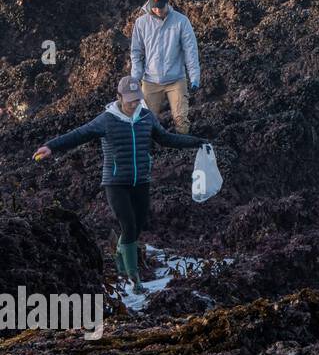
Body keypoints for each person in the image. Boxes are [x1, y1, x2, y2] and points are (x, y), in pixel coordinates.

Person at [34, 76, 210, 294]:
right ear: (119, 97)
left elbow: (166, 139)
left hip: (141, 181)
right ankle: (134, 280)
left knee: (136, 228)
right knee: (127, 226)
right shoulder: (106, 119)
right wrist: (51, 146)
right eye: (130, 100)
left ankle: (120, 258)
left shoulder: (147, 117)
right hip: (115, 183)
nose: (134, 103)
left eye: (137, 99)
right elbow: (79, 134)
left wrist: (197, 142)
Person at [130, 0, 200, 134]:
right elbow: (136, 52)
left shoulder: (181, 21)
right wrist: (136, 77)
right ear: (149, 5)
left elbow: (190, 51)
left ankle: (184, 152)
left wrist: (194, 77)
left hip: (176, 80)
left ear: (167, 3)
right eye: (154, 8)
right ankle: (147, 153)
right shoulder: (141, 23)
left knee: (181, 120)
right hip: (150, 81)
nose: (158, 10)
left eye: (161, 7)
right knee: (144, 122)